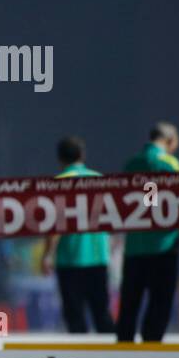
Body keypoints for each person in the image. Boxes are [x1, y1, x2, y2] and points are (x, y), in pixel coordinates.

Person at [117, 122, 179, 343]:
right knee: (160, 301)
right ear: (171, 141)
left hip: (135, 245)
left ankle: (122, 348)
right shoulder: (169, 163)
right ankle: (151, 349)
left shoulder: (131, 164)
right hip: (164, 245)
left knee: (129, 302)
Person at [40, 136, 114, 333]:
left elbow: (53, 226)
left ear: (60, 159)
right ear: (82, 155)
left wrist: (47, 255)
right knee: (102, 315)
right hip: (98, 258)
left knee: (75, 318)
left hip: (69, 261)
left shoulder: (57, 184)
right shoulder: (99, 179)